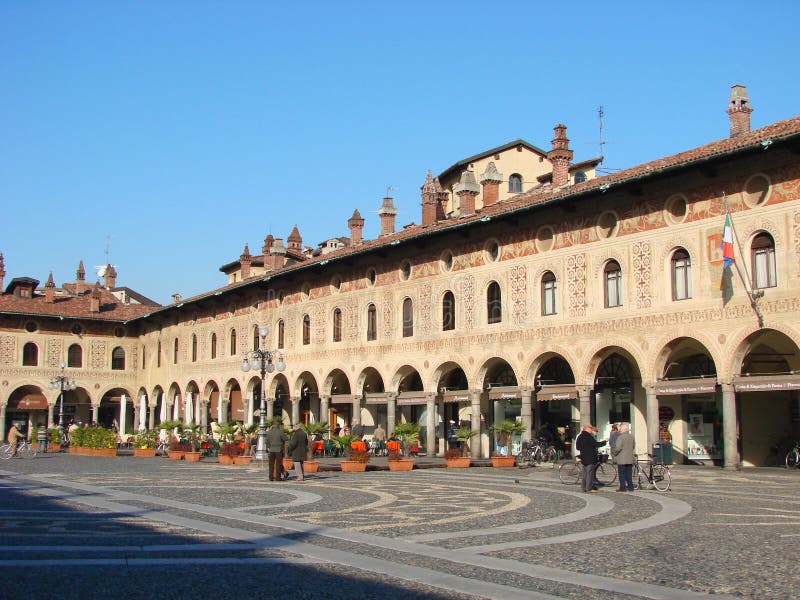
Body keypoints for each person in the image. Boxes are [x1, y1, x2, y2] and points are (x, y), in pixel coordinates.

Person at [575, 424, 607, 493]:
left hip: (583, 457)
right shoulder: (588, 436)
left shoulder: (580, 436)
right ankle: (589, 488)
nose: (591, 430)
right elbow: (596, 444)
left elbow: (577, 447)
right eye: (590, 428)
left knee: (584, 474)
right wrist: (605, 441)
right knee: (590, 473)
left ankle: (583, 488)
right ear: (587, 429)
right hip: (590, 457)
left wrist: (583, 449)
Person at [612, 423, 635, 492]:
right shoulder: (631, 436)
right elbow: (633, 446)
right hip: (630, 458)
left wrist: (614, 452)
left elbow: (618, 448)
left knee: (621, 474)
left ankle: (623, 488)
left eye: (620, 429)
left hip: (622, 458)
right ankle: (631, 487)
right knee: (629, 474)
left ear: (623, 430)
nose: (620, 431)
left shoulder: (620, 437)